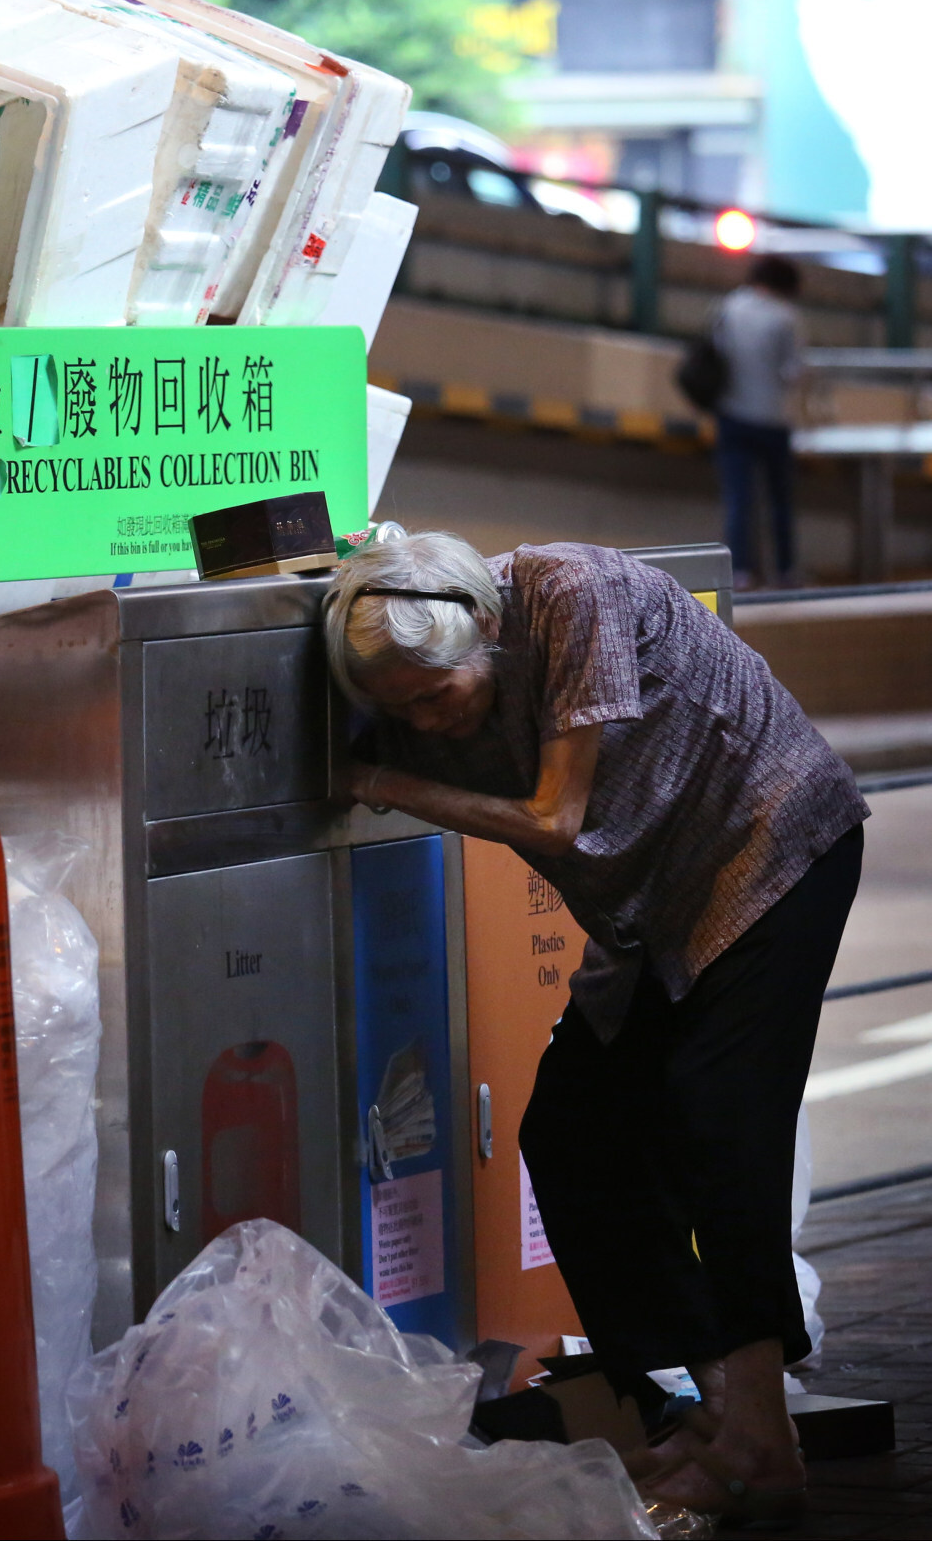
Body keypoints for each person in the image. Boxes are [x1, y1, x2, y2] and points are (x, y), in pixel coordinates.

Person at [323, 529, 865, 1522]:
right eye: (395, 710)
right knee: (569, 1131)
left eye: (434, 694)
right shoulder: (429, 662)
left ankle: (760, 1436)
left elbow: (556, 817)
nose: (424, 723)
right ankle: (696, 1416)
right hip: (651, 913)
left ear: (485, 628)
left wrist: (380, 781)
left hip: (769, 847)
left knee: (716, 1119)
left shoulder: (572, 596)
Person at [714, 255, 805, 589]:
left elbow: (717, 354)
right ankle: (785, 569)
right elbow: (792, 372)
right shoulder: (786, 317)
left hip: (733, 415)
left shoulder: (730, 307)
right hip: (772, 419)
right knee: (780, 500)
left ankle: (740, 572)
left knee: (739, 499)